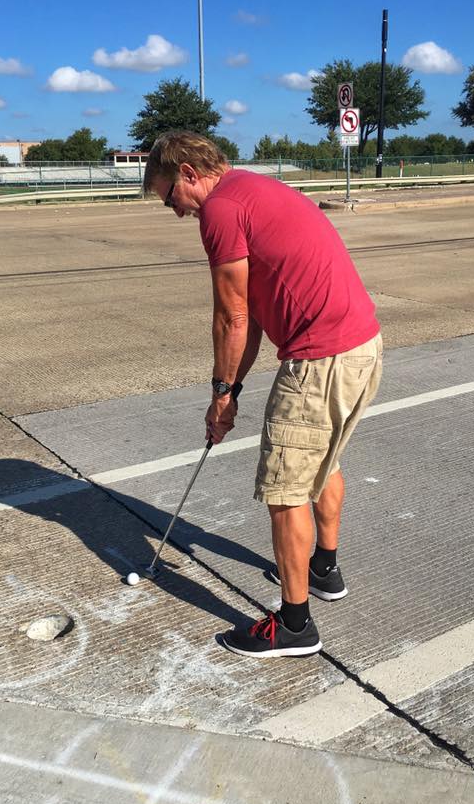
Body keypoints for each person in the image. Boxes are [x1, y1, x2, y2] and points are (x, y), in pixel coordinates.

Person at [143, 132, 382, 658]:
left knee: (285, 491)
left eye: (168, 197)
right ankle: (324, 567)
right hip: (362, 346)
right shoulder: (252, 189)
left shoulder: (220, 211)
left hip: (320, 358)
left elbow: (230, 316)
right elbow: (248, 319)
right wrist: (231, 390)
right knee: (322, 463)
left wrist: (221, 394)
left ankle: (294, 624)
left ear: (187, 173)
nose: (173, 210)